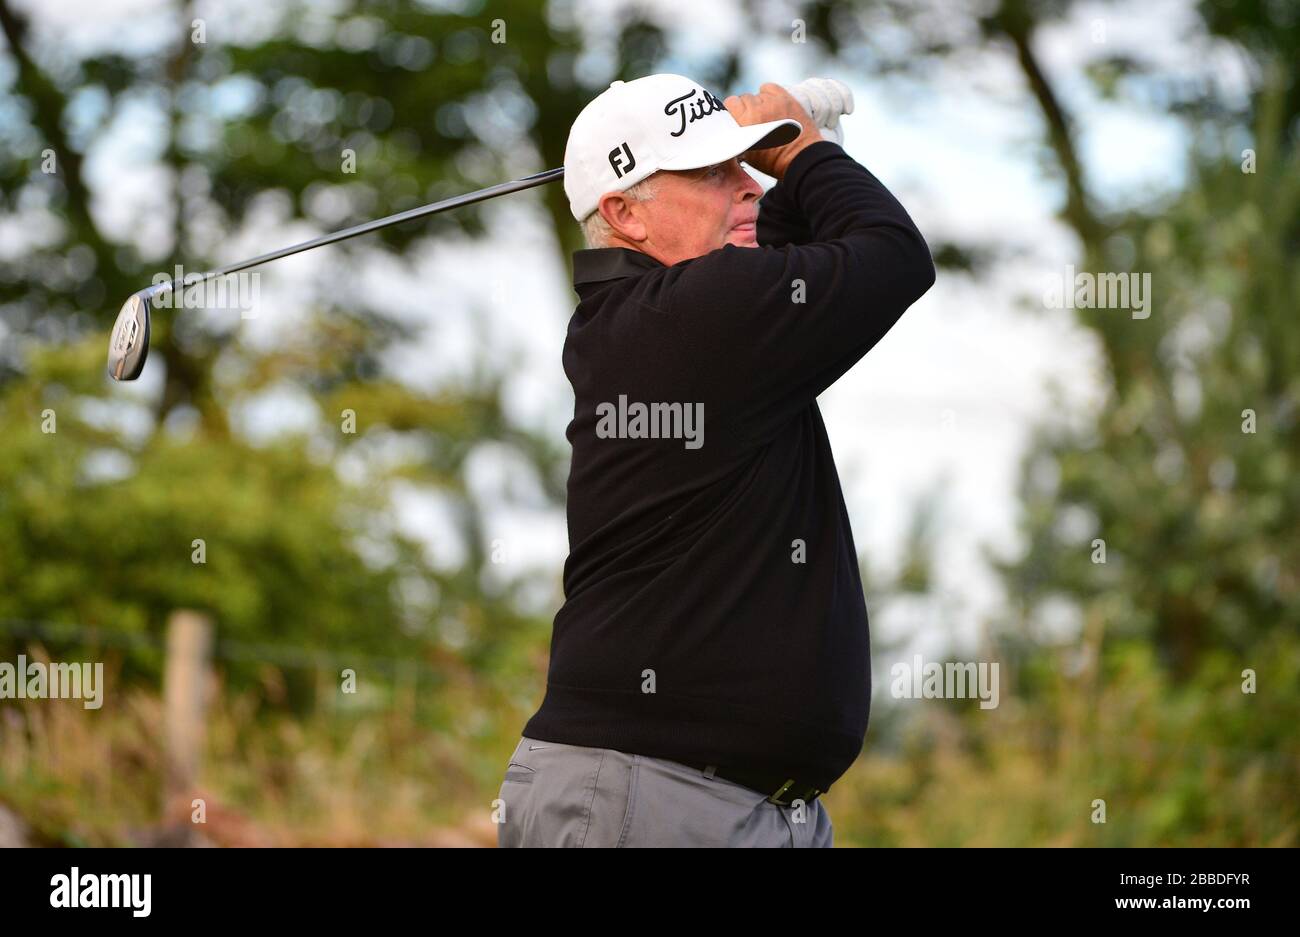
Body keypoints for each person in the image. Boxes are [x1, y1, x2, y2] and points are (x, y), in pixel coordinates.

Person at [495, 73, 935, 847]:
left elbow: (802, 246)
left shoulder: (667, 318)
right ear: (624, 211)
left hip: (716, 800)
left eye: (743, 165)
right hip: (651, 795)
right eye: (708, 172)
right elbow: (891, 256)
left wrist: (784, 151)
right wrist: (799, 147)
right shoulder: (696, 316)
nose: (747, 187)